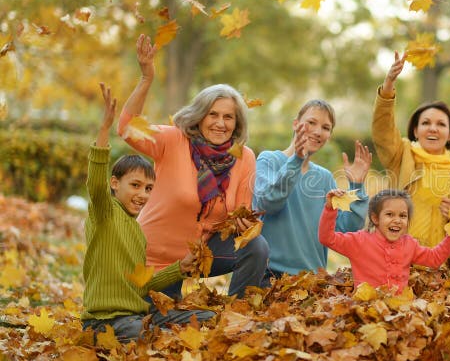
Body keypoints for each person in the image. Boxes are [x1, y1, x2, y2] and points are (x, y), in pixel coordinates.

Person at [117, 34, 269, 299]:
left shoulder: (244, 156)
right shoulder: (173, 140)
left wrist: (246, 226)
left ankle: (239, 313)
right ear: (199, 117)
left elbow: (240, 216)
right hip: (153, 259)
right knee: (159, 326)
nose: (220, 123)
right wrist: (146, 79)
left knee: (255, 246)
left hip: (200, 255)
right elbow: (128, 128)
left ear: (237, 123)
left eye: (228, 117)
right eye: (213, 114)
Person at [82, 83, 214, 342]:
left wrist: (179, 268)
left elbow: (141, 284)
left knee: (206, 319)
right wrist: (104, 129)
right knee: (165, 339)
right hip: (105, 322)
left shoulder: (137, 231)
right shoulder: (104, 213)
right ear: (114, 183)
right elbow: (95, 181)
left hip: (135, 315)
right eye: (135, 185)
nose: (142, 194)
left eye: (148, 188)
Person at [371, 52, 450, 262]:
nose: (433, 129)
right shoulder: (402, 156)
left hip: (440, 274)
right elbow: (382, 132)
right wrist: (388, 86)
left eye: (441, 124)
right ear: (415, 129)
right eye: (426, 123)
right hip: (397, 265)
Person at [252, 99, 371, 279]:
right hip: (271, 276)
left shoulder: (324, 178)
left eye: (325, 127)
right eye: (311, 123)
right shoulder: (269, 160)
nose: (317, 131)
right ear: (296, 124)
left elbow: (344, 229)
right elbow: (268, 203)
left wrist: (357, 186)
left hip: (313, 280)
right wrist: (296, 162)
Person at [319, 188, 450, 290]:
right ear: (375, 218)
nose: (397, 220)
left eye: (402, 216)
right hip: (366, 310)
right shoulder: (359, 241)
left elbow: (434, 259)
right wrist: (330, 209)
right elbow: (327, 238)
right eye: (390, 214)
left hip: (399, 312)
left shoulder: (409, 244)